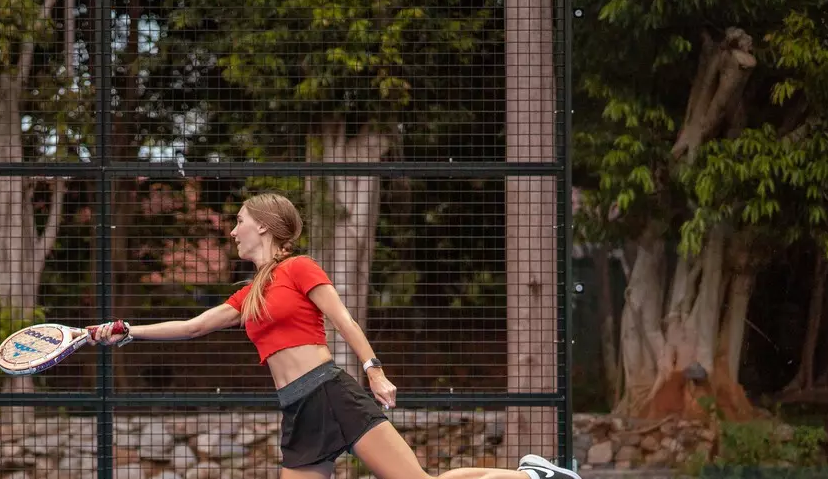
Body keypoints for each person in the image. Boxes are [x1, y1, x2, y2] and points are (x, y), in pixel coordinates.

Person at [88, 193, 581, 479]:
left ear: (261, 226)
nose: (233, 230)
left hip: (332, 393)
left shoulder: (299, 267)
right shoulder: (250, 294)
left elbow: (344, 320)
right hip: (299, 410)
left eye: (239, 222)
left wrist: (375, 371)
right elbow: (193, 326)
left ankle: (528, 476)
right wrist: (128, 331)